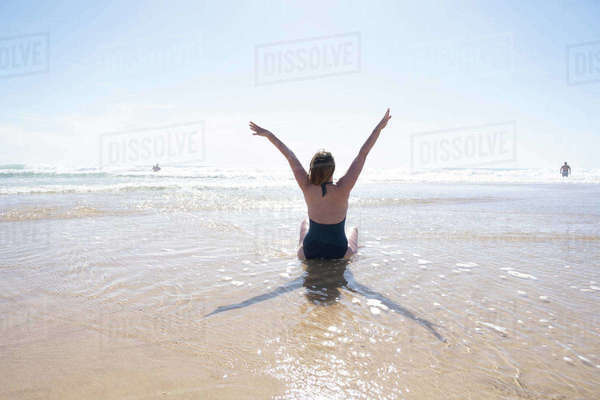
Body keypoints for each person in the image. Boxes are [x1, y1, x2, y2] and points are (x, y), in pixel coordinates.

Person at [249, 108, 392, 260]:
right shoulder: (343, 187)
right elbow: (363, 153)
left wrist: (269, 135)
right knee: (354, 230)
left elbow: (289, 156)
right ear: (333, 169)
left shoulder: (307, 186)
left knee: (305, 223)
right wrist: (379, 128)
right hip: (339, 252)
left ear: (312, 168)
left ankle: (302, 252)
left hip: (309, 252)